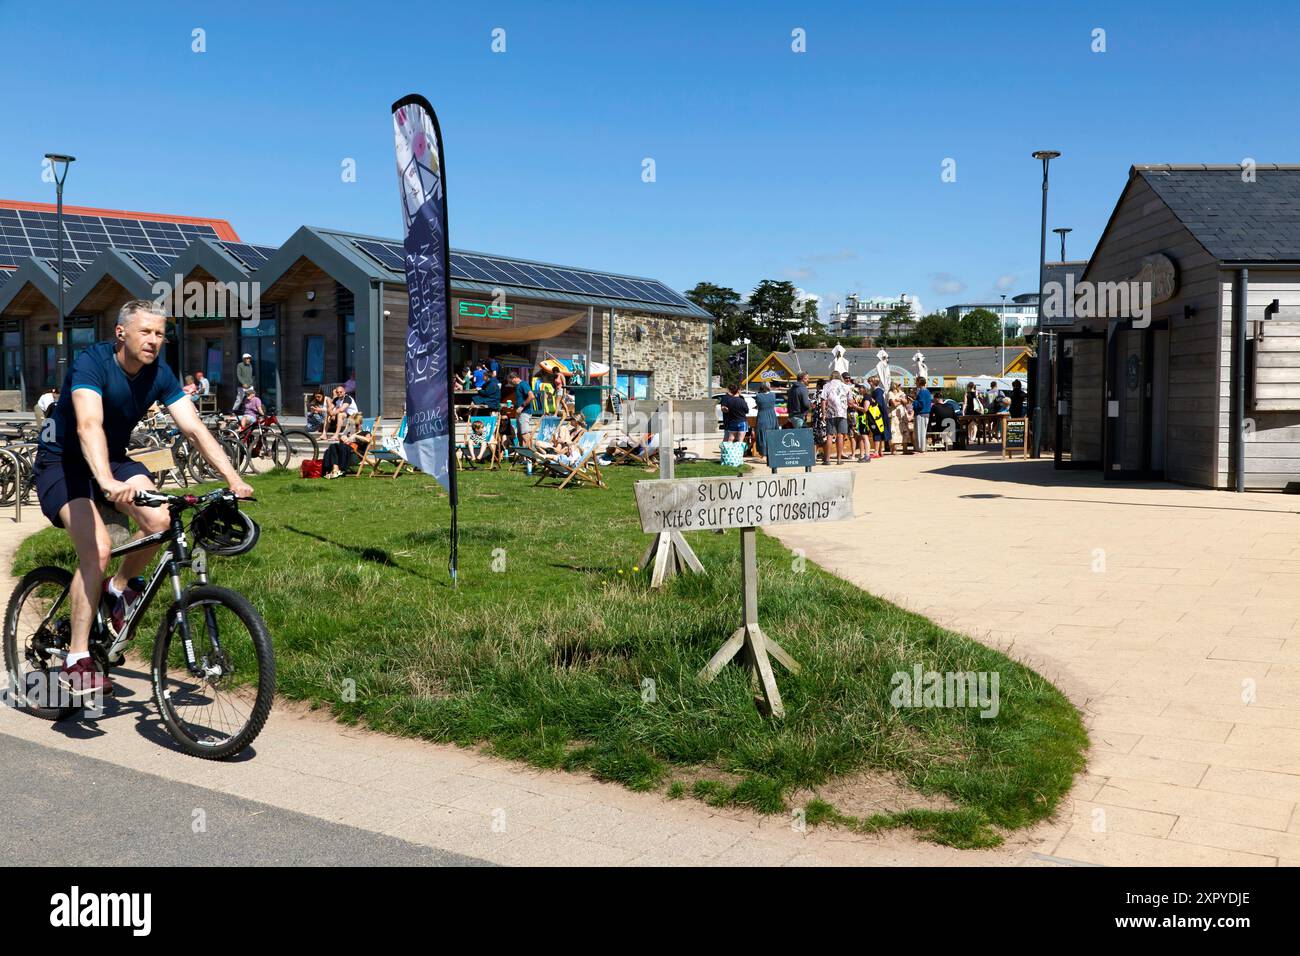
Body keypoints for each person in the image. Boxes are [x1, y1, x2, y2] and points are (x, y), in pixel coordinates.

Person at [33, 299, 251, 697]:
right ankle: (76, 658)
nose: (154, 340)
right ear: (122, 333)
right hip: (62, 462)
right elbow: (88, 424)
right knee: (97, 549)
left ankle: (118, 587)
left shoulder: (159, 373)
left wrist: (234, 478)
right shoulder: (91, 363)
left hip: (113, 459)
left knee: (162, 520)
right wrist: (104, 482)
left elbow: (194, 429)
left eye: (160, 333)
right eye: (145, 332)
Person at [820, 372, 852, 465]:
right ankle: (839, 459)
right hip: (842, 413)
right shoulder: (846, 386)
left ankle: (827, 459)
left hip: (830, 413)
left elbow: (823, 400)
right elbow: (850, 402)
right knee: (840, 435)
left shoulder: (827, 385)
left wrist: (823, 413)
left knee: (829, 435)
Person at [511, 371, 537, 450]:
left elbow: (531, 396)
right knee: (519, 434)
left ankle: (532, 456)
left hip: (525, 413)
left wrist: (522, 406)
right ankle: (523, 456)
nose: (510, 383)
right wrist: (515, 406)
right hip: (520, 413)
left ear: (515, 378)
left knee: (524, 434)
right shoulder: (517, 386)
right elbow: (521, 399)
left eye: (510, 381)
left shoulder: (523, 384)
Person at [753, 383, 778, 456]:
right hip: (772, 416)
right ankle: (772, 452)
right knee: (772, 433)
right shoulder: (773, 395)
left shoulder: (758, 396)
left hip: (762, 416)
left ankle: (763, 453)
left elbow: (758, 405)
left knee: (762, 434)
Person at [868, 375, 888, 458]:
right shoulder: (878, 391)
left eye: (869, 382)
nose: (869, 383)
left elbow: (878, 403)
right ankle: (880, 451)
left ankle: (876, 452)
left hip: (877, 415)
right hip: (879, 414)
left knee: (877, 432)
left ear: (872, 382)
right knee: (879, 432)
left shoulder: (878, 391)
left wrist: (869, 399)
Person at [887, 381, 909, 455]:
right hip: (894, 414)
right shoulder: (890, 393)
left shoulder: (902, 393)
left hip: (902, 414)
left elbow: (906, 402)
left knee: (904, 431)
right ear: (894, 385)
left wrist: (900, 400)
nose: (900, 386)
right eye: (898, 384)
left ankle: (905, 449)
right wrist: (901, 401)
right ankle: (893, 450)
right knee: (893, 431)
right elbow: (894, 404)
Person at [913, 377, 933, 453]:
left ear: (919, 382)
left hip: (921, 413)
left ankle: (921, 449)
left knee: (920, 431)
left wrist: (914, 402)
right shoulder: (927, 391)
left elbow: (921, 404)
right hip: (926, 413)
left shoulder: (922, 392)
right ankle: (922, 448)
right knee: (923, 431)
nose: (915, 383)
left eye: (916, 382)